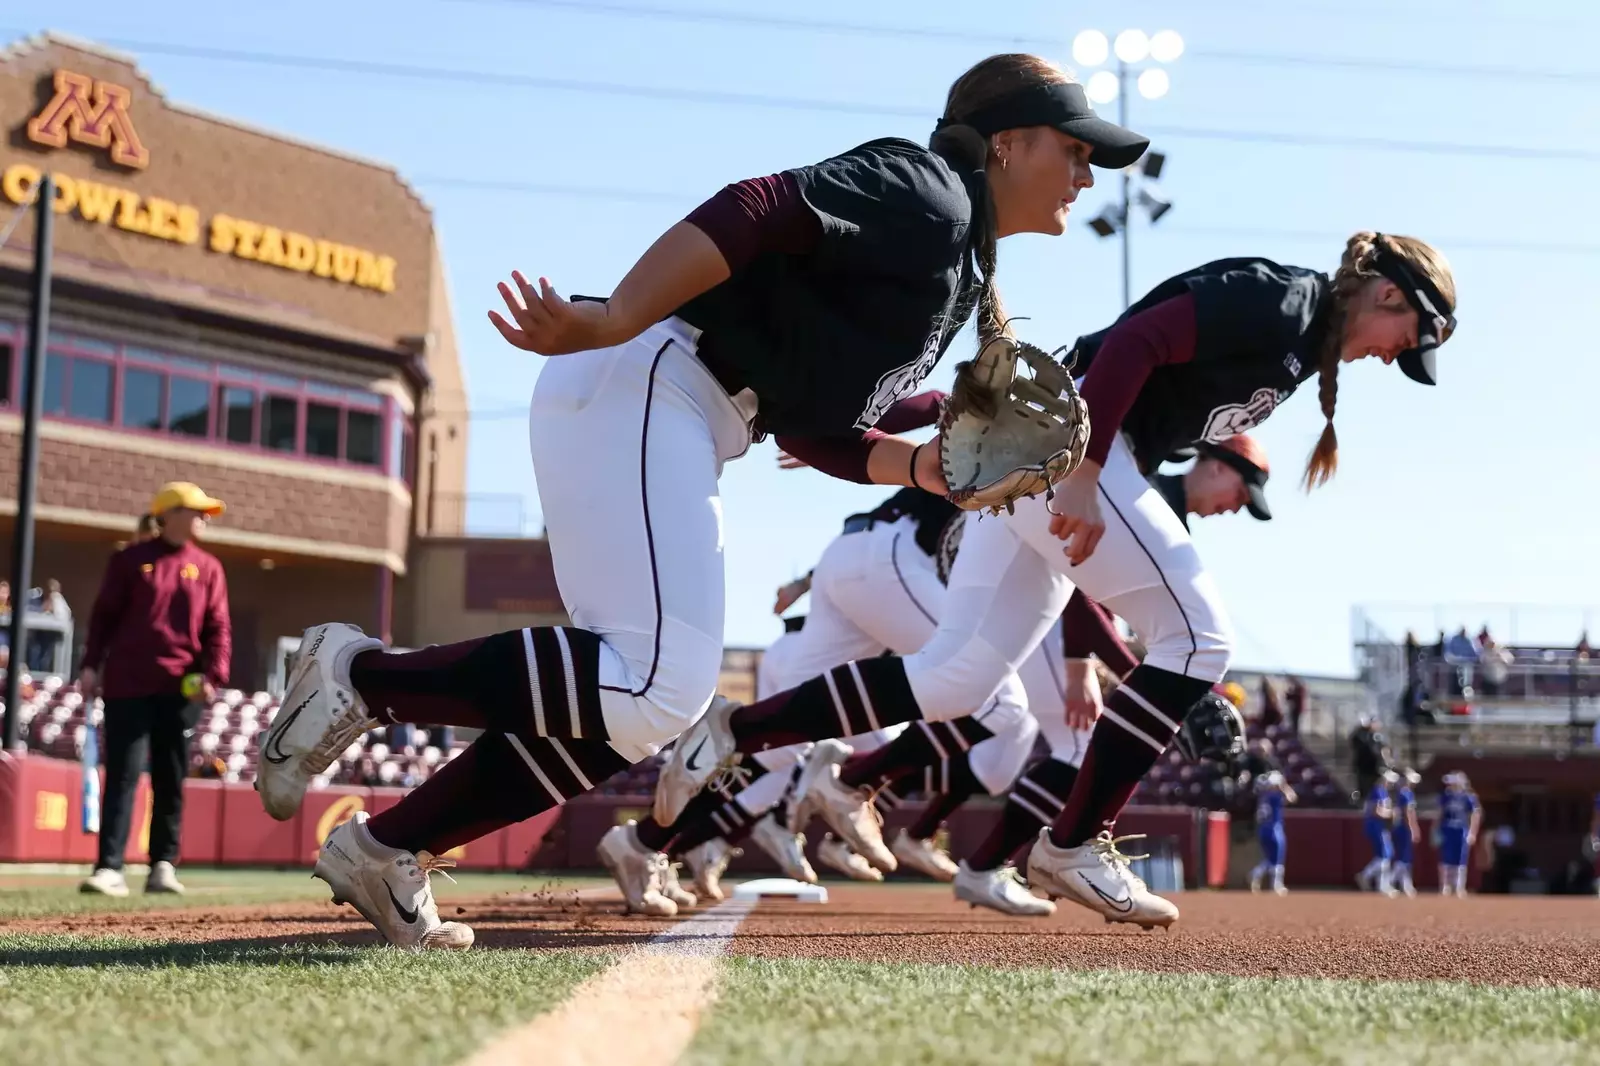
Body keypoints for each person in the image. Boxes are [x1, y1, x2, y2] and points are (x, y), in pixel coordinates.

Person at [256, 54, 1150, 949]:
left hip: (672, 398)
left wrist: (928, 472)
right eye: (1075, 150)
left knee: (645, 699)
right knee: (658, 682)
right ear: (1007, 142)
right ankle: (362, 677)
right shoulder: (930, 193)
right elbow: (756, 205)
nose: (1085, 174)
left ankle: (388, 846)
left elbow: (807, 429)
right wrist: (616, 316)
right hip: (653, 370)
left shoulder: (955, 267)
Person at [665, 231, 1457, 929]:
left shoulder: (1301, 333)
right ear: (1388, 292)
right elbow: (1133, 341)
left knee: (954, 678)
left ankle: (738, 731)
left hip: (1041, 448)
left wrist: (898, 424)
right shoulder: (1286, 298)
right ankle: (1072, 845)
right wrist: (1081, 468)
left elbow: (1083, 359)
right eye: (1406, 334)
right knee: (1199, 639)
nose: (1395, 353)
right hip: (1067, 446)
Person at [77, 482, 231, 898]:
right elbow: (103, 617)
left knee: (171, 777)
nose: (203, 518)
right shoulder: (129, 561)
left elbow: (217, 627)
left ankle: (162, 865)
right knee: (124, 775)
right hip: (127, 684)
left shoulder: (209, 568)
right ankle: (109, 867)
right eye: (196, 511)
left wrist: (213, 676)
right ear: (170, 514)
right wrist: (90, 665)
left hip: (180, 690)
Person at [1248, 770, 1295, 895]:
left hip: (1263, 829)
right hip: (1274, 829)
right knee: (1277, 859)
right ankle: (1276, 885)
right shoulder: (1275, 796)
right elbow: (1292, 797)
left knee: (1269, 858)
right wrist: (1284, 786)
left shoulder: (1263, 796)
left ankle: (1256, 873)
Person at [1437, 771, 1481, 897]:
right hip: (1447, 829)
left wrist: (1472, 832)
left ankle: (1459, 886)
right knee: (1446, 858)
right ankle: (1445, 885)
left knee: (1461, 859)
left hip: (1461, 830)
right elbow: (1440, 813)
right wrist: (1436, 830)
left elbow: (1475, 814)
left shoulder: (1468, 797)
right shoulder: (1445, 796)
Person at [1355, 770, 1399, 896]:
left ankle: (1382, 885)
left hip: (1380, 827)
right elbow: (1376, 811)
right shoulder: (1378, 791)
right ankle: (1366, 875)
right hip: (1376, 826)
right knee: (1384, 855)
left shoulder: (1383, 792)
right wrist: (1391, 813)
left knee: (1386, 855)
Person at [1391, 768, 1422, 897]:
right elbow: (1408, 813)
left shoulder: (1401, 793)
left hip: (1399, 827)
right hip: (1404, 828)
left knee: (1405, 858)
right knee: (1403, 858)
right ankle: (1389, 881)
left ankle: (1406, 885)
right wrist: (1413, 828)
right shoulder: (1406, 794)